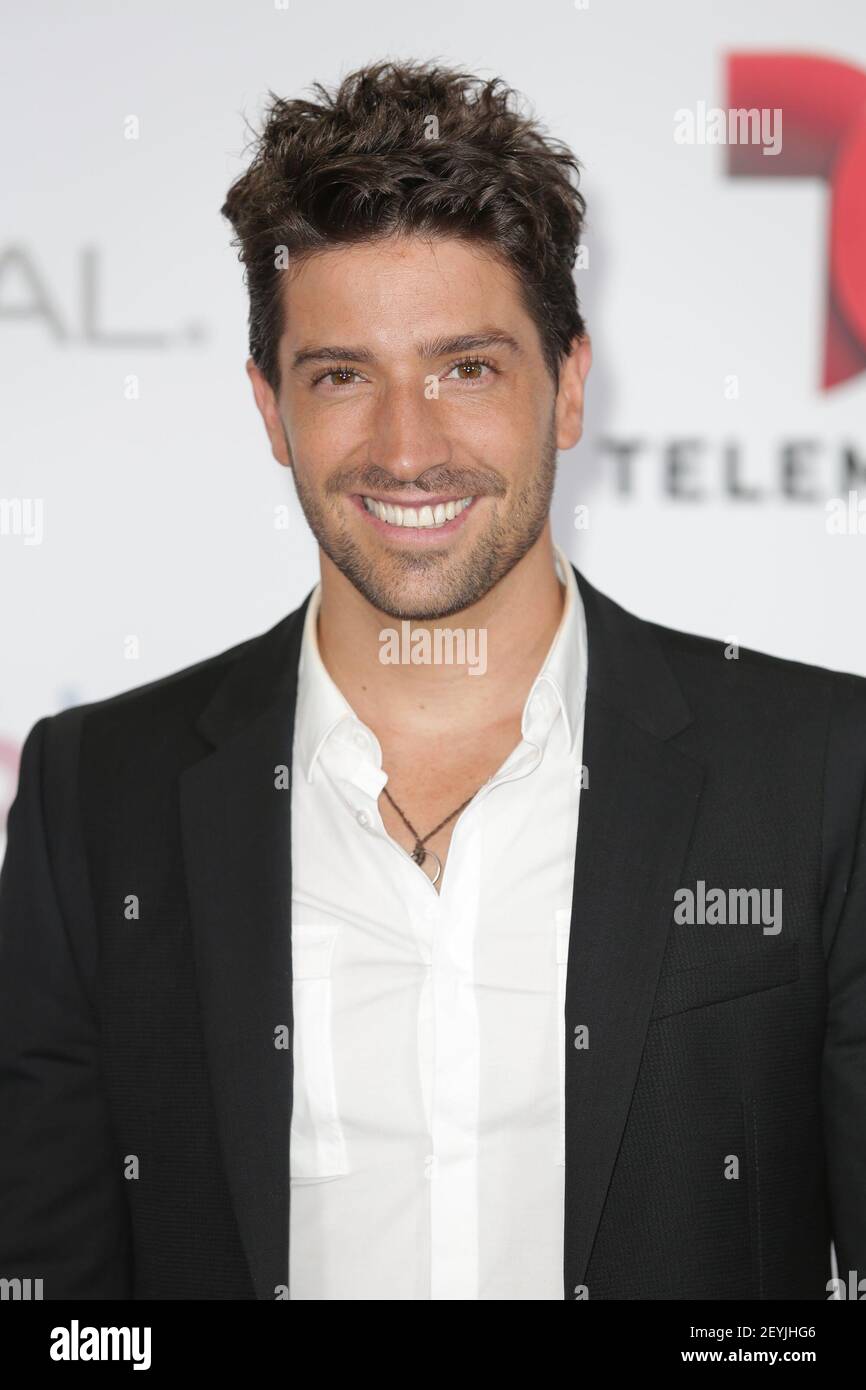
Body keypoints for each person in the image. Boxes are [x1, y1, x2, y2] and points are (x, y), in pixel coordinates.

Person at [1, 59, 864, 1301]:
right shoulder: (99, 796)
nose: (407, 448)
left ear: (566, 386)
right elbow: (54, 1307)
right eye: (342, 375)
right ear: (269, 410)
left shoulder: (814, 769)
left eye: (466, 368)